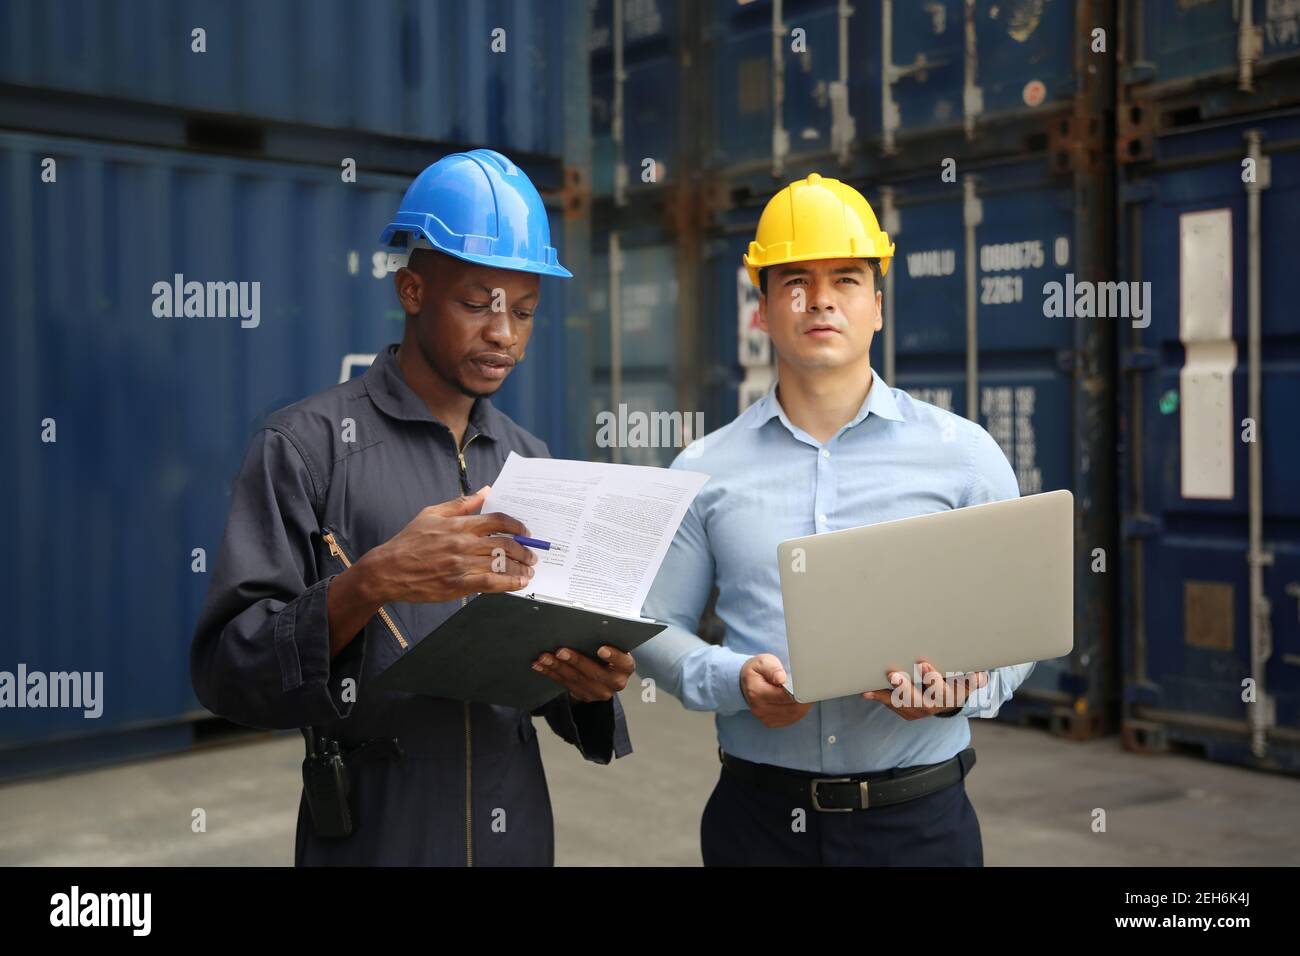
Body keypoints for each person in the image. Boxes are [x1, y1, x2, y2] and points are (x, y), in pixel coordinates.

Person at [191, 149, 633, 866]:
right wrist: (370, 583)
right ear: (412, 290)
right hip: (374, 836)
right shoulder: (304, 448)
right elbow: (227, 673)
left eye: (523, 311)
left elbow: (545, 667)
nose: (504, 335)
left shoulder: (534, 462)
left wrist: (588, 684)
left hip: (513, 830)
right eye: (477, 304)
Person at [637, 173, 1033, 866]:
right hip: (758, 825)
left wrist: (954, 694)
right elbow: (651, 625)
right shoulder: (705, 468)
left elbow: (1018, 625)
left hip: (919, 826)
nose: (819, 299)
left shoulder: (963, 456)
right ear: (760, 308)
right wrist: (733, 680)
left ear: (878, 306)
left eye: (846, 279)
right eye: (794, 280)